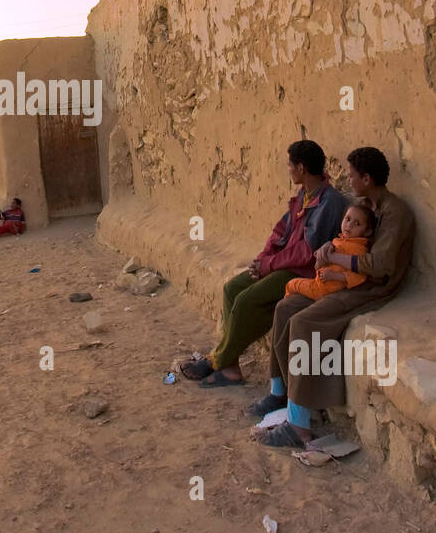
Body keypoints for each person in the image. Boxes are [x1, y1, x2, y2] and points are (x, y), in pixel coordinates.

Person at [255, 146, 416, 450]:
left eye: (353, 176)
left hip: (371, 286)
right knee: (286, 307)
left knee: (305, 322)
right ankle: (281, 392)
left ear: (367, 178)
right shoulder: (366, 205)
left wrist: (337, 262)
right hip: (341, 279)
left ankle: (299, 425)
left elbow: (380, 266)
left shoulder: (396, 213)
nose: (349, 180)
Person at [178, 140, 347, 388]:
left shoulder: (328, 201)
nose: (287, 170)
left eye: (289, 165)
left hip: (304, 272)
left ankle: (218, 360)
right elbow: (282, 230)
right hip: (283, 265)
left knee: (246, 301)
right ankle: (231, 368)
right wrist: (262, 260)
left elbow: (307, 251)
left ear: (301, 168)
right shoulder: (304, 195)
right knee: (231, 289)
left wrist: (270, 266)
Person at [282, 201, 374, 300]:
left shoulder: (358, 248)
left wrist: (334, 276)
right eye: (347, 219)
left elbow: (359, 276)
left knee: (291, 284)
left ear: (367, 231)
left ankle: (288, 302)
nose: (349, 225)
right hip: (320, 283)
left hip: (324, 289)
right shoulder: (341, 240)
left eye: (357, 224)